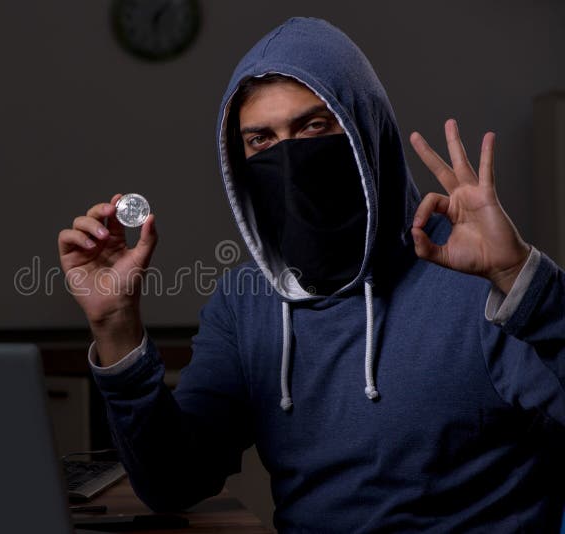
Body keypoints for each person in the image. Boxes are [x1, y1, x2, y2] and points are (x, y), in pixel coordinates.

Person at [57, 17, 565, 532]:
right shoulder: (245, 301)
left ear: (366, 131)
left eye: (314, 127)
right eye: (261, 140)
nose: (291, 157)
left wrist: (518, 277)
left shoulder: (480, 282)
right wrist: (116, 327)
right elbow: (174, 483)